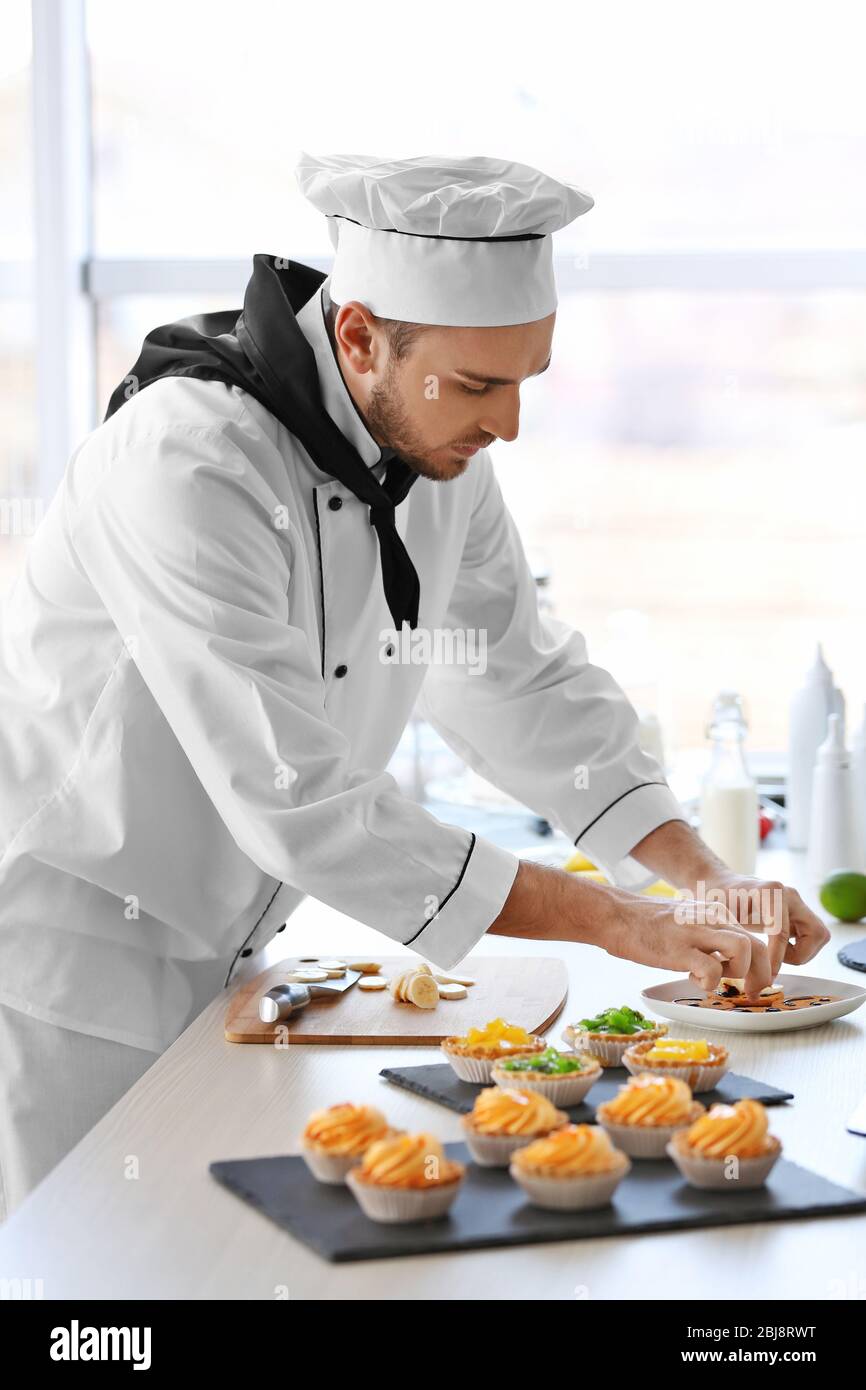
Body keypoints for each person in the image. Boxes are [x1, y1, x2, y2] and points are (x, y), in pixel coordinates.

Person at [0, 153, 828, 1221]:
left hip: (240, 969)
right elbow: (298, 798)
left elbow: (518, 678)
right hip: (60, 981)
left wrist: (701, 878)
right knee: (81, 1299)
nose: (508, 426)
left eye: (525, 379)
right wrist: (624, 923)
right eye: (479, 386)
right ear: (356, 336)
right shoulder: (185, 465)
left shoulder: (438, 455)